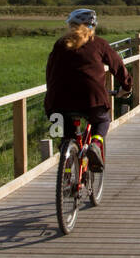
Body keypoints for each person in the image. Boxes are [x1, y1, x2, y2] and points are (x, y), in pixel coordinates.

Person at [44, 9, 132, 171]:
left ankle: (67, 169)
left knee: (66, 136)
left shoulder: (59, 44)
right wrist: (126, 87)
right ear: (93, 27)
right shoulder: (99, 43)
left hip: (57, 102)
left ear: (71, 26)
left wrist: (52, 94)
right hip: (92, 100)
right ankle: (96, 144)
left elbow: (49, 72)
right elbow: (118, 66)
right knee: (102, 120)